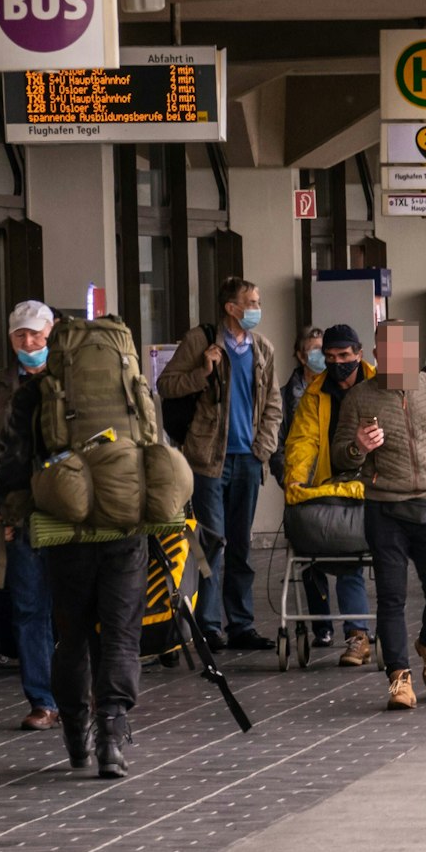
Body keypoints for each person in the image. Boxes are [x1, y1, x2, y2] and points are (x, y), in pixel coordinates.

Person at [0, 333, 153, 779]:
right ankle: (111, 738)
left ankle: (76, 734)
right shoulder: (131, 384)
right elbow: (155, 445)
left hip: (66, 533)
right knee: (121, 635)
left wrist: (10, 511)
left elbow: (11, 462)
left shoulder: (36, 393)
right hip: (125, 530)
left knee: (72, 636)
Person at [332, 320, 426, 711]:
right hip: (384, 508)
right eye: (389, 352)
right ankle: (399, 678)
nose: (398, 358)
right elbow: (340, 458)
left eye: (405, 351)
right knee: (391, 597)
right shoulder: (360, 398)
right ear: (378, 354)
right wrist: (358, 447)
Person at [158, 277, 283, 651]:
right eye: (251, 302)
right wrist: (203, 372)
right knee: (212, 543)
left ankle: (242, 623)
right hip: (208, 460)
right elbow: (167, 385)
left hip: (249, 460)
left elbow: (273, 404)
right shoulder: (200, 341)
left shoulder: (262, 348)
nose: (257, 308)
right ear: (232, 308)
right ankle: (209, 625)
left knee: (241, 544)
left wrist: (263, 448)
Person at [0, 300, 61, 731]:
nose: (29, 341)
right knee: (28, 604)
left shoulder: (70, 375)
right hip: (19, 511)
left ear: (51, 333)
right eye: (21, 334)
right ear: (10, 338)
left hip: (67, 505)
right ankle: (42, 700)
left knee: (73, 604)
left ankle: (78, 691)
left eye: (36, 333)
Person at [282, 324, 374, 664]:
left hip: (367, 488)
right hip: (329, 484)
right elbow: (303, 440)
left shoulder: (378, 386)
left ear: (359, 354)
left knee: (349, 558)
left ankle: (357, 635)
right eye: (330, 356)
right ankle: (337, 631)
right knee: (319, 552)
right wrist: (295, 481)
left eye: (344, 355)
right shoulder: (315, 393)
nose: (337, 363)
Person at [272, 327, 324, 485]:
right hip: (299, 484)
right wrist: (291, 479)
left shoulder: (335, 391)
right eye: (316, 349)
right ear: (301, 356)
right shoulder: (283, 398)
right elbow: (276, 446)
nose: (322, 355)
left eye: (323, 349)